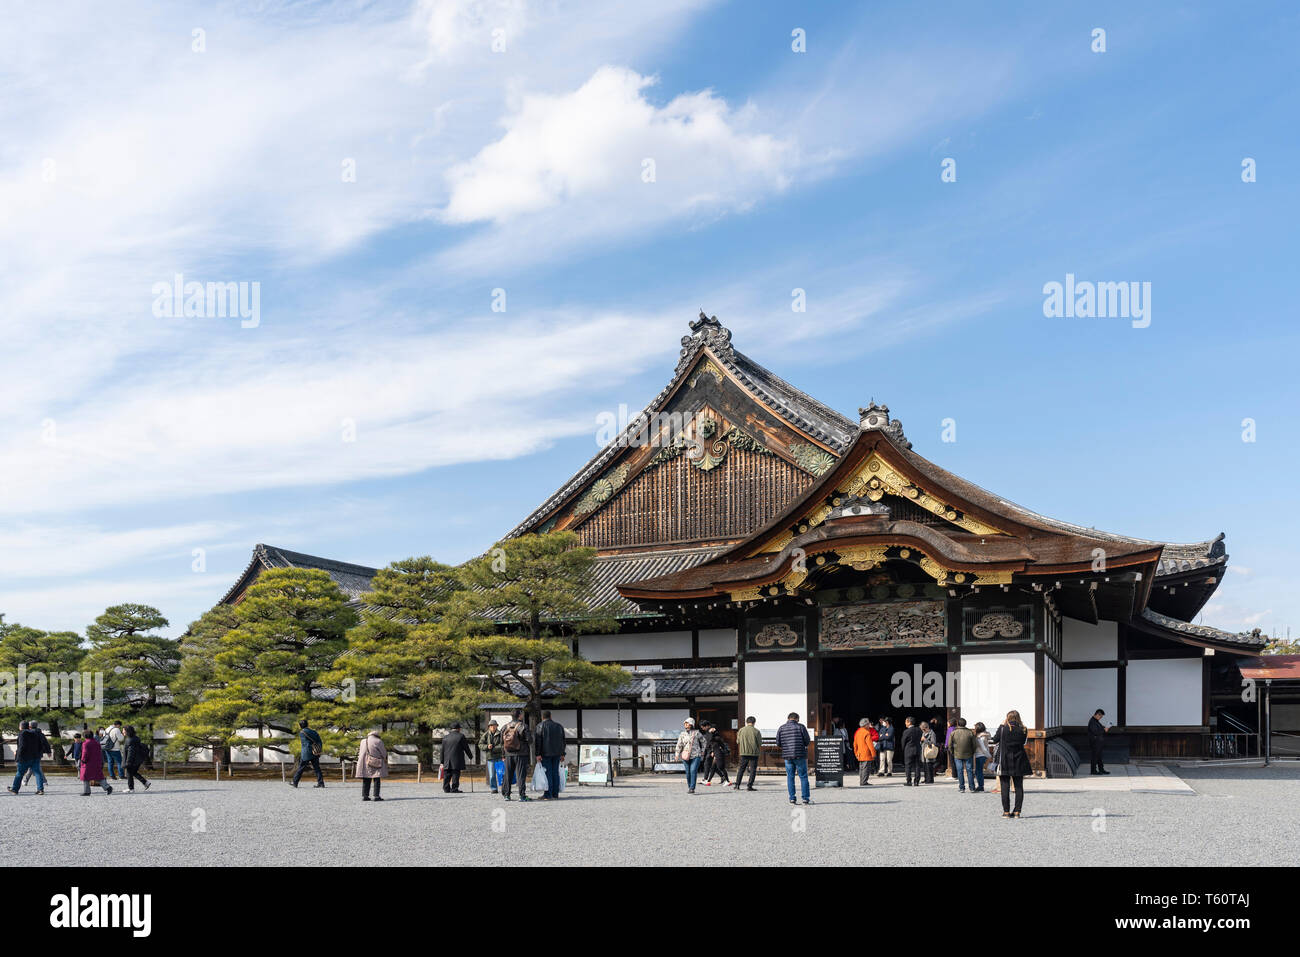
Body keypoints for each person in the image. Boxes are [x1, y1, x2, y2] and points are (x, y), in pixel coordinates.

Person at [992, 710, 1031, 818]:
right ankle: (1017, 811)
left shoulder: (1003, 729)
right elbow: (1023, 742)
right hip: (1019, 759)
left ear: (1007, 718)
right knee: (1019, 787)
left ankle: (1006, 812)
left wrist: (1000, 726)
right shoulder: (1023, 729)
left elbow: (995, 740)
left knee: (1005, 787)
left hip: (1005, 760)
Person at [776, 712, 811, 805]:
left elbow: (778, 743)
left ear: (788, 718)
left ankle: (792, 798)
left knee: (790, 777)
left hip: (787, 756)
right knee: (803, 776)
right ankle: (805, 798)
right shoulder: (801, 727)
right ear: (797, 719)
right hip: (800, 755)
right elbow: (807, 741)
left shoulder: (781, 728)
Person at [7, 721, 48, 795]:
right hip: (35, 757)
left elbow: (21, 746)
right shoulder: (35, 733)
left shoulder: (22, 733)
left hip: (24, 758)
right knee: (38, 773)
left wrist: (17, 756)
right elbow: (40, 745)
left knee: (19, 773)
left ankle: (15, 789)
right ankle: (40, 789)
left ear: (21, 726)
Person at [535, 711, 567, 800]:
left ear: (542, 717)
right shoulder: (559, 726)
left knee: (547, 773)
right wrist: (562, 753)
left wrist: (537, 754)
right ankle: (555, 794)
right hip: (557, 753)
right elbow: (563, 741)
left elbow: (538, 742)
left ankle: (548, 794)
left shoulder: (540, 726)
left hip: (545, 753)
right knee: (555, 773)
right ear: (551, 716)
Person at [500, 710, 532, 802]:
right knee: (520, 775)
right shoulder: (523, 726)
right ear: (519, 716)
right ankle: (521, 796)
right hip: (521, 754)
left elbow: (502, 742)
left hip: (508, 754)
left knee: (508, 775)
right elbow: (529, 740)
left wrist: (503, 754)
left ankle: (507, 795)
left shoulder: (505, 727)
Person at [290, 719, 325, 788]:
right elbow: (319, 741)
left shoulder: (302, 733)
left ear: (300, 726)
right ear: (307, 724)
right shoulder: (314, 732)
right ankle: (321, 783)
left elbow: (305, 744)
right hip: (315, 752)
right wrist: (318, 750)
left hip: (306, 753)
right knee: (317, 768)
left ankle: (295, 782)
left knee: (301, 768)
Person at [674, 718, 706, 794]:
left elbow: (704, 741)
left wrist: (703, 750)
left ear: (691, 724)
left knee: (693, 771)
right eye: (685, 723)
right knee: (688, 772)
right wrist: (677, 754)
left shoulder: (697, 733)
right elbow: (679, 744)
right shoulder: (682, 734)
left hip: (696, 755)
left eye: (687, 723)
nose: (685, 724)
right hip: (685, 755)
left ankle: (692, 788)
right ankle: (689, 786)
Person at [78, 729, 113, 796]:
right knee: (98, 776)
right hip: (96, 762)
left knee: (85, 777)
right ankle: (108, 787)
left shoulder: (85, 743)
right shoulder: (97, 743)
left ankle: (87, 791)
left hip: (88, 763)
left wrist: (83, 760)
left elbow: (85, 753)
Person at [356, 730, 388, 801]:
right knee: (376, 779)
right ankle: (376, 796)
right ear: (377, 735)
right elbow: (383, 753)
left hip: (364, 762)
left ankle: (365, 796)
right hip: (376, 762)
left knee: (366, 778)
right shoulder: (378, 741)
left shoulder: (363, 741)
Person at [440, 722, 472, 793]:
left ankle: (446, 788)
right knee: (455, 774)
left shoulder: (445, 737)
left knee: (447, 774)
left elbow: (442, 750)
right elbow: (466, 748)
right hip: (457, 759)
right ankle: (454, 788)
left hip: (447, 760)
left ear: (451, 729)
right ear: (459, 729)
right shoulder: (461, 736)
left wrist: (442, 761)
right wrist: (470, 756)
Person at [949, 718, 976, 793]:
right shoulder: (970, 732)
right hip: (968, 754)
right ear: (965, 724)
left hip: (957, 754)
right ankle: (972, 788)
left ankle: (962, 788)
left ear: (958, 724)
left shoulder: (954, 732)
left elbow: (949, 744)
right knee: (969, 771)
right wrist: (972, 752)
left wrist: (952, 752)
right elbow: (974, 744)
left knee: (959, 771)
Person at [122, 725, 152, 792]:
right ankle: (145, 783)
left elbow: (130, 752)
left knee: (129, 773)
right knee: (134, 772)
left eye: (123, 730)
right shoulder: (136, 738)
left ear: (127, 731)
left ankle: (131, 788)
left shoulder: (129, 740)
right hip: (138, 759)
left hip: (132, 760)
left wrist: (128, 762)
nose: (122, 732)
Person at [735, 716, 761, 791]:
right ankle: (749, 786)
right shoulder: (756, 731)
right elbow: (760, 743)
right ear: (754, 722)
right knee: (753, 770)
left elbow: (738, 741)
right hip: (754, 753)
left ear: (746, 722)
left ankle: (737, 785)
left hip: (743, 752)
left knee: (741, 769)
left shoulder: (741, 730)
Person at [479, 720, 505, 794]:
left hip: (500, 756)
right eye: (491, 726)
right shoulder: (486, 734)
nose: (493, 727)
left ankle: (504, 787)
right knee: (492, 775)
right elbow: (480, 744)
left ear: (497, 726)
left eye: (494, 725)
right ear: (489, 727)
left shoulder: (501, 734)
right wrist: (487, 746)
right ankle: (494, 788)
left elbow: (503, 745)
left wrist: (493, 748)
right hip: (490, 757)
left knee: (502, 774)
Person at [852, 718, 876, 786]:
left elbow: (855, 744)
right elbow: (870, 745)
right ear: (865, 725)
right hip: (867, 754)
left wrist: (856, 753)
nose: (869, 725)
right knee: (866, 769)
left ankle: (862, 781)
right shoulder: (866, 733)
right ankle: (864, 782)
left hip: (860, 754)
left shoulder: (858, 732)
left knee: (861, 768)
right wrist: (873, 753)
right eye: (868, 724)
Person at [1088, 709, 1110, 775]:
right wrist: (1104, 730)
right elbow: (1095, 731)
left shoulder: (1096, 721)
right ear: (1097, 714)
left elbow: (1099, 728)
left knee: (1099, 757)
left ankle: (1101, 769)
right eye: (1100, 717)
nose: (1100, 718)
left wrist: (1105, 728)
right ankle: (1093, 771)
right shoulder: (1092, 721)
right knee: (1094, 756)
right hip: (1095, 742)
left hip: (1098, 742)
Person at [901, 717, 922, 786]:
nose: (905, 723)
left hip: (909, 750)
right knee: (917, 766)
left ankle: (909, 781)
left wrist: (903, 749)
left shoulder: (906, 731)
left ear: (909, 722)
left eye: (906, 722)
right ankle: (916, 781)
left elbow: (903, 741)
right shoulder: (919, 730)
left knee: (908, 766)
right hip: (917, 749)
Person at [973, 722, 992, 792]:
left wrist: (989, 756)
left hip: (980, 755)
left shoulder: (980, 737)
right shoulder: (985, 735)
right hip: (983, 755)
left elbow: (983, 748)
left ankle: (981, 786)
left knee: (978, 772)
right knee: (979, 771)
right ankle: (980, 785)